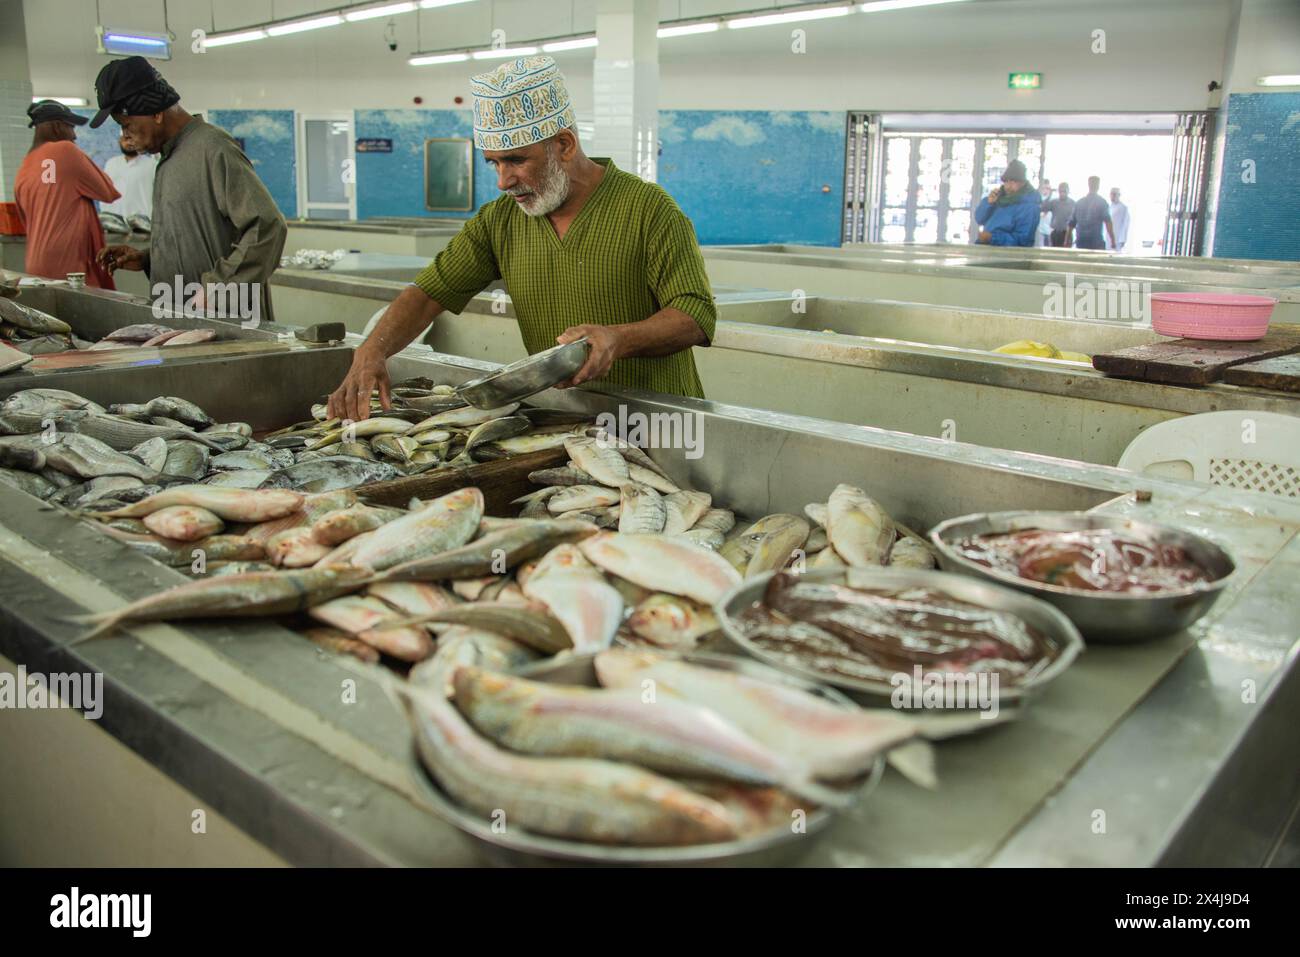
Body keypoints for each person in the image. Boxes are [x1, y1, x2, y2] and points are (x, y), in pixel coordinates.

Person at [327, 56, 716, 421]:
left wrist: (618, 339)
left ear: (563, 145)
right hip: (564, 418)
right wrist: (371, 350)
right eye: (493, 163)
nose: (502, 181)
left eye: (516, 160)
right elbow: (429, 293)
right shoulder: (499, 221)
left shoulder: (648, 209)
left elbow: (695, 314)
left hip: (657, 418)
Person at [94, 57, 286, 323]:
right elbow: (199, 238)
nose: (126, 135)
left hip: (227, 326)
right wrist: (150, 260)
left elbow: (267, 226)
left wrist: (220, 287)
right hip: (183, 321)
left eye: (127, 124)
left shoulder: (212, 148)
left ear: (156, 112)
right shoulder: (168, 159)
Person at [12, 100, 120, 289]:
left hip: (36, 264)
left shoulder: (24, 167)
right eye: (71, 127)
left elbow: (27, 219)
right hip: (69, 263)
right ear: (56, 126)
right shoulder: (64, 150)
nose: (74, 136)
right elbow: (108, 191)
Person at [972, 159, 1040, 248]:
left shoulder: (1029, 207)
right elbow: (979, 219)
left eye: (1013, 181)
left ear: (1023, 183)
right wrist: (988, 203)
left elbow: (1023, 240)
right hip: (986, 249)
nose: (1008, 186)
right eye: (1006, 181)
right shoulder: (998, 198)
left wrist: (992, 238)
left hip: (1007, 255)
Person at [102, 132, 158, 223]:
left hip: (143, 224)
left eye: (132, 139)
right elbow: (105, 190)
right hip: (115, 222)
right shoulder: (111, 163)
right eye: (125, 139)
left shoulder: (152, 165)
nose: (129, 143)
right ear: (119, 141)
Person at [1068, 176, 1118, 251]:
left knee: (1082, 261)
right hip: (1095, 241)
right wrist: (1113, 240)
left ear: (1088, 185)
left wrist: (1067, 240)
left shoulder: (1079, 202)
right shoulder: (1102, 202)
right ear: (1098, 186)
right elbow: (1108, 222)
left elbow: (1071, 223)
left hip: (1081, 240)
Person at [1043, 183, 1075, 248]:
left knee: (1066, 255)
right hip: (1055, 234)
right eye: (1060, 191)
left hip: (1067, 234)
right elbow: (1043, 208)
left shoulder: (1073, 203)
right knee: (1052, 255)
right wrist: (1049, 195)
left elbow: (1075, 220)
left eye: (1064, 191)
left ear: (1068, 191)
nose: (1062, 193)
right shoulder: (1054, 202)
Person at [1108, 187, 1130, 253]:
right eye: (1111, 194)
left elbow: (1125, 225)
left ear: (1119, 195)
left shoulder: (1123, 208)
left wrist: (1122, 240)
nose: (1112, 196)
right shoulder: (1109, 207)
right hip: (1108, 238)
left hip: (1117, 239)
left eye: (1114, 194)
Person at [1035, 179, 1053, 247]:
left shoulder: (1053, 199)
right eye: (1044, 188)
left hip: (1050, 230)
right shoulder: (1037, 199)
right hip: (1039, 229)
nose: (1046, 190)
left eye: (1048, 188)